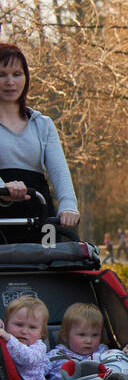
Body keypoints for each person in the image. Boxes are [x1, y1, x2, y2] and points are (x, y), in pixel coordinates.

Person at [0, 43, 79, 242]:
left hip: (40, 213)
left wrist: (68, 205)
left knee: (50, 265)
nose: (10, 82)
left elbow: (59, 171)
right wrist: (4, 189)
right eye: (2, 75)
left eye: (17, 74)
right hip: (2, 215)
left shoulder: (42, 124)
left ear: (25, 78)